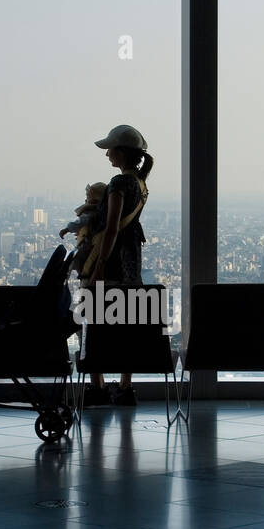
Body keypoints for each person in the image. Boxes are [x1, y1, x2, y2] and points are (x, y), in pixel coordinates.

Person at [81, 124, 151, 408]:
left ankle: (97, 387)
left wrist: (99, 264)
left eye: (110, 149)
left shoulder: (119, 184)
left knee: (96, 321)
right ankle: (125, 387)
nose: (107, 154)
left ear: (121, 153)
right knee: (127, 325)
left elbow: (111, 228)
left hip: (112, 262)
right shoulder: (141, 183)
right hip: (132, 261)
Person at [61, 181, 107, 276]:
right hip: (93, 241)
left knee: (77, 258)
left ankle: (79, 274)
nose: (86, 199)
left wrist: (66, 229)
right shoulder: (103, 211)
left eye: (88, 196)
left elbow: (79, 222)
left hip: (88, 242)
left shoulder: (92, 212)